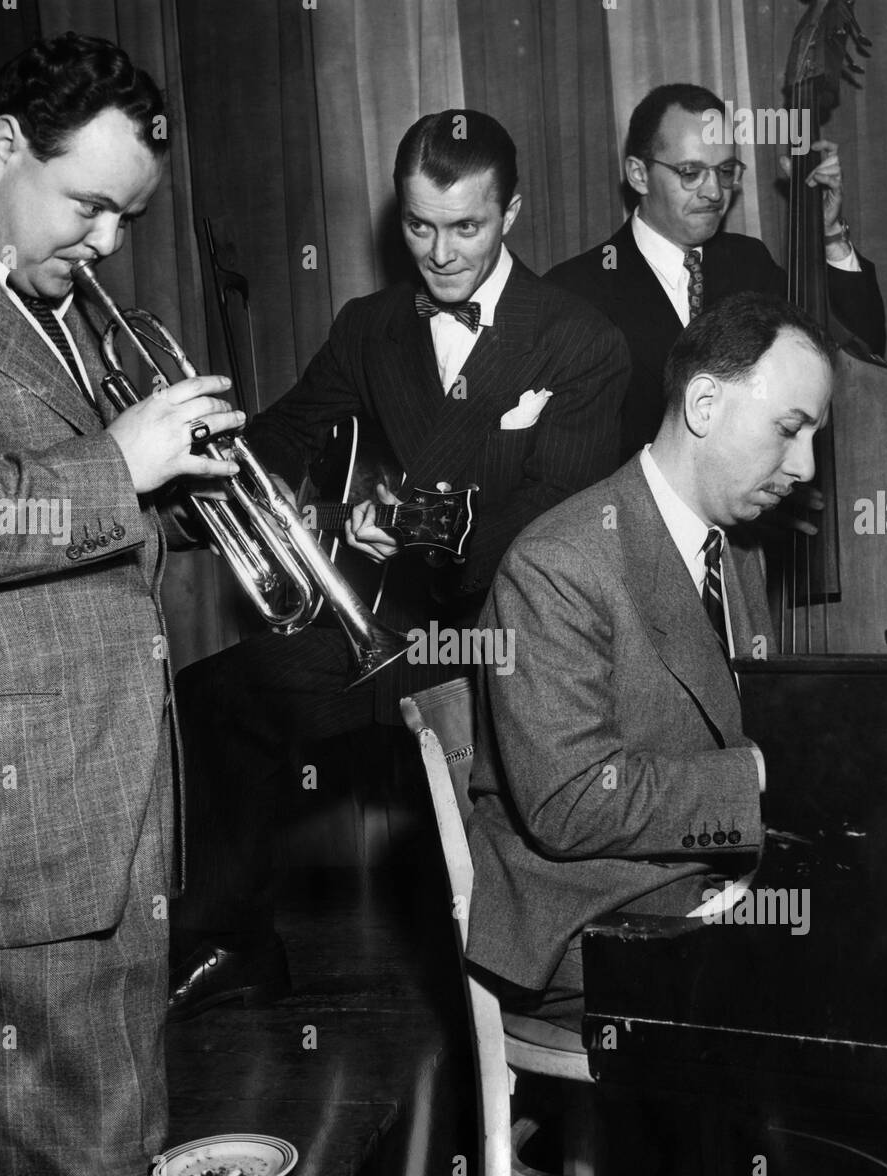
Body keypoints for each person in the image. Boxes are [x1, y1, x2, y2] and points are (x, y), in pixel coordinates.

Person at [169, 109, 630, 1019]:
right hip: (400, 627)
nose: (441, 252)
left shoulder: (579, 340)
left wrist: (419, 523)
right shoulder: (368, 326)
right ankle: (233, 943)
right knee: (215, 698)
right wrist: (192, 463)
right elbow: (290, 434)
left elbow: (554, 522)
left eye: (467, 226)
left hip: (521, 634)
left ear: (514, 213)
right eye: (419, 225)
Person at [0, 33, 241, 1176]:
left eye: (129, 214)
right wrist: (116, 468)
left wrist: (176, 496)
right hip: (17, 844)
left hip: (102, 818)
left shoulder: (37, 291)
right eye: (92, 204)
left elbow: (64, 536)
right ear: (6, 149)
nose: (111, 243)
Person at [465, 292, 836, 1032]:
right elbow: (569, 806)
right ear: (704, 404)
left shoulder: (736, 550)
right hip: (585, 906)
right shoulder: (559, 564)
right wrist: (761, 776)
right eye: (790, 431)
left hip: (695, 873)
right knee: (818, 986)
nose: (805, 467)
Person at [547, 83, 882, 461]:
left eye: (724, 171)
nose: (714, 192)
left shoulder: (749, 262)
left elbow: (857, 359)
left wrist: (830, 235)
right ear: (639, 175)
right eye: (690, 172)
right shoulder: (574, 291)